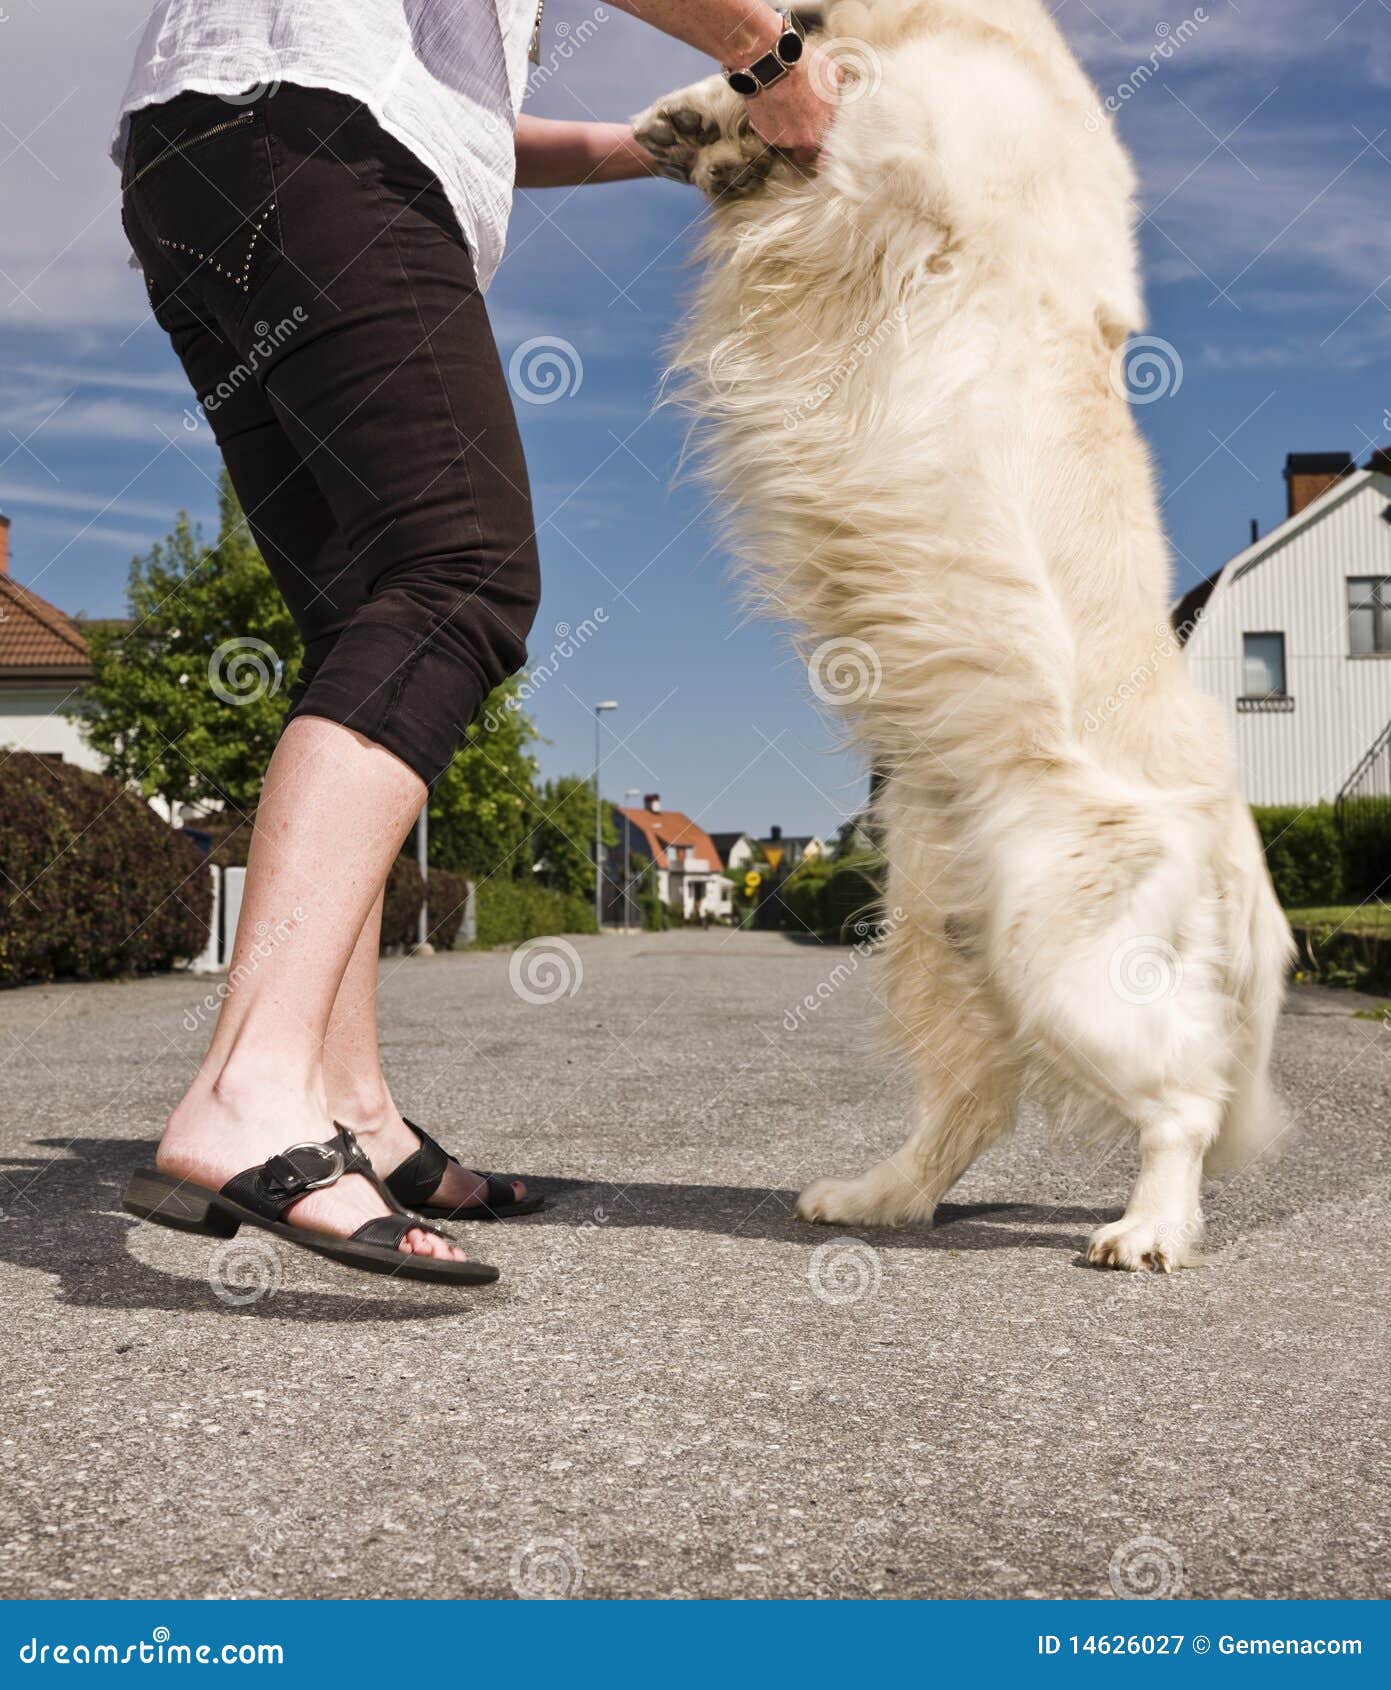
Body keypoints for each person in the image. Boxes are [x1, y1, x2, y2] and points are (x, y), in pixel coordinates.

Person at [116, 3, 839, 1283]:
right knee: (461, 576)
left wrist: (653, 145)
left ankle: (348, 1109)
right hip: (320, 144)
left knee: (364, 620)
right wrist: (769, 56)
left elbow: (454, 108)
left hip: (198, 167)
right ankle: (248, 1089)